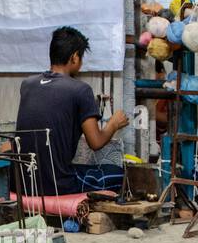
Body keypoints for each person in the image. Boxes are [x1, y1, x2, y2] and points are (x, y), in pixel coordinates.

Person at [14, 26, 129, 196]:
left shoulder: (28, 84)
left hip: (22, 182)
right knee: (119, 174)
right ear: (74, 57)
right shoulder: (80, 90)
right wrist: (113, 124)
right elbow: (95, 142)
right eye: (81, 58)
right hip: (57, 185)